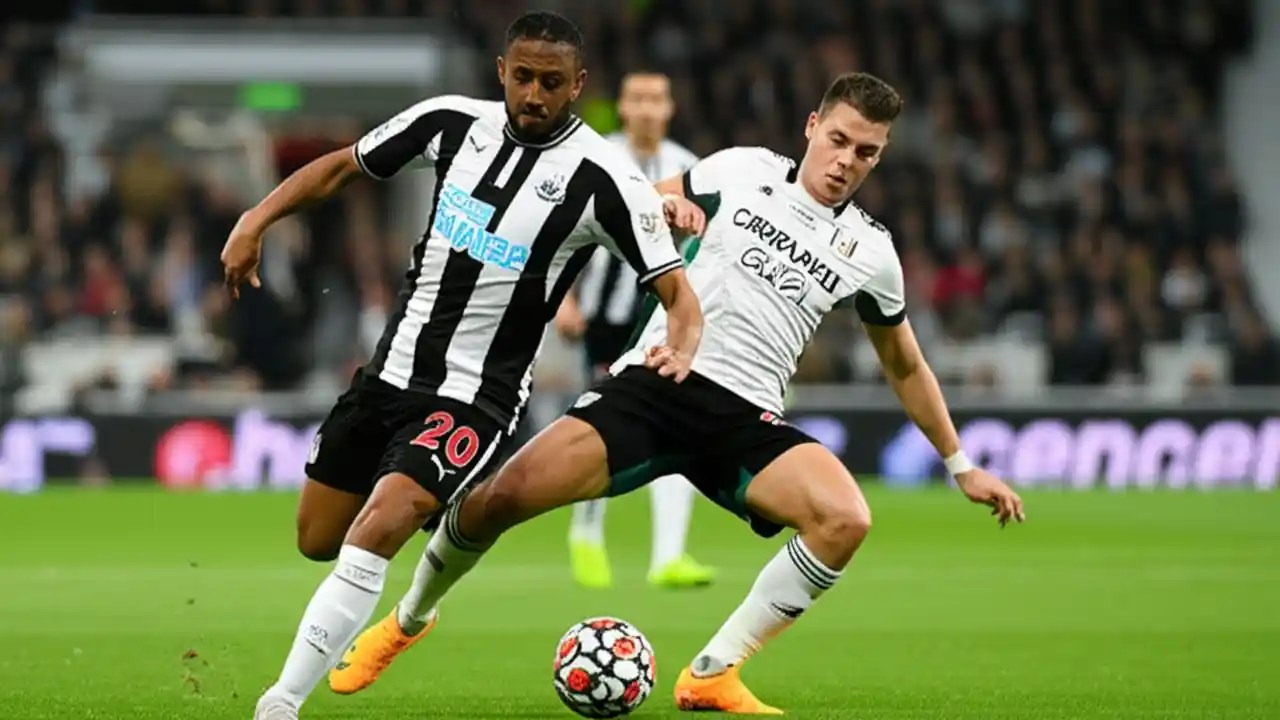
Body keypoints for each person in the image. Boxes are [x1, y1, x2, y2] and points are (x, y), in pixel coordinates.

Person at [333, 72, 1025, 714]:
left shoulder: (872, 252)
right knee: (498, 499)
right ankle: (409, 620)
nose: (847, 161)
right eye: (839, 140)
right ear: (813, 126)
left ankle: (713, 672)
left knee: (846, 518)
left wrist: (960, 464)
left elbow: (904, 364)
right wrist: (668, 208)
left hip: (745, 417)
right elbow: (635, 202)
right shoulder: (741, 169)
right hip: (656, 383)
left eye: (866, 153)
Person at [225, 12, 707, 720]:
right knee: (317, 539)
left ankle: (281, 702)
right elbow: (342, 167)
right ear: (501, 72)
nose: (534, 95)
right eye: (522, 77)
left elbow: (679, 296)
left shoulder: (607, 180)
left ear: (578, 85)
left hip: (473, 399)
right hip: (387, 375)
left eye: (551, 82)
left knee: (377, 528)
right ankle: (442, 503)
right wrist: (255, 219)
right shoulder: (450, 123)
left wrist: (682, 346)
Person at [554, 70, 714, 590]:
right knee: (604, 424)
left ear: (669, 108)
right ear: (623, 107)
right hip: (605, 318)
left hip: (662, 315)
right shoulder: (599, 156)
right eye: (637, 99)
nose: (647, 108)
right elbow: (567, 230)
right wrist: (565, 298)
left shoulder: (688, 167)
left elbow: (703, 247)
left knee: (677, 425)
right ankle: (586, 531)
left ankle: (669, 555)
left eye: (656, 99)